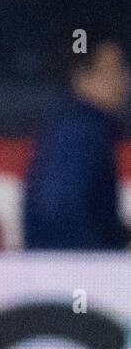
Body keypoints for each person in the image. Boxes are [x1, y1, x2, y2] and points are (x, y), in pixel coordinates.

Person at [23, 30, 130, 250]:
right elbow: (57, 212)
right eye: (112, 69)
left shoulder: (89, 128)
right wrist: (100, 263)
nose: (123, 79)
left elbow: (99, 218)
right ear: (82, 77)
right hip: (72, 273)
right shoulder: (78, 132)